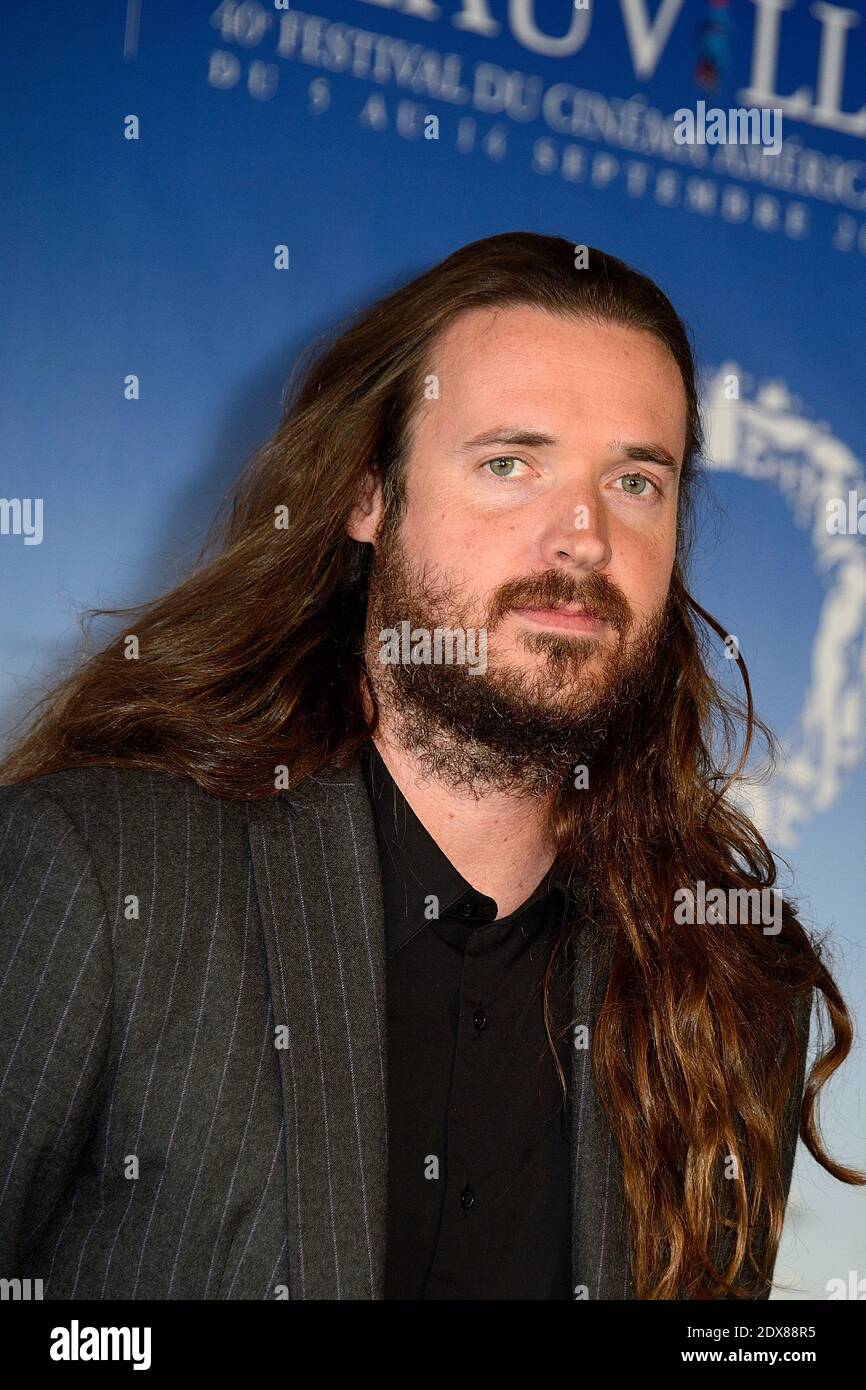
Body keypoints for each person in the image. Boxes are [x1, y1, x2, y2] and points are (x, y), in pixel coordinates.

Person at [0, 232, 861, 1301]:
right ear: (367, 497)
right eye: (510, 464)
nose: (582, 536)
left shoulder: (728, 986)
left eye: (635, 481)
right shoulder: (98, 870)